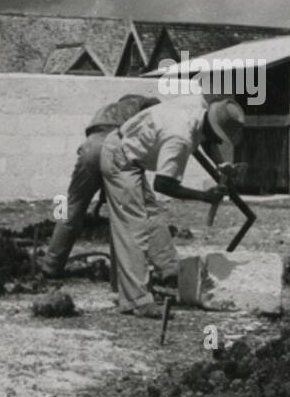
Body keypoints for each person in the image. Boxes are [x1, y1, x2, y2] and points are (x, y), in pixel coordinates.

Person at [99, 96, 245, 318]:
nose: (217, 141)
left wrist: (221, 165)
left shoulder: (199, 109)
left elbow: (206, 139)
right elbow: (164, 184)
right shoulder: (180, 139)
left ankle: (124, 290)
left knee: (144, 220)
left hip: (130, 155)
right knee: (133, 228)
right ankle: (138, 302)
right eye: (219, 136)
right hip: (121, 158)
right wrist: (204, 196)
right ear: (213, 126)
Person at [39, 93, 161, 277]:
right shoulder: (145, 108)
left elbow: (99, 149)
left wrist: (101, 198)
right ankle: (149, 270)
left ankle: (50, 265)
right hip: (117, 149)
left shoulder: (107, 110)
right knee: (137, 212)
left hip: (90, 148)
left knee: (71, 207)